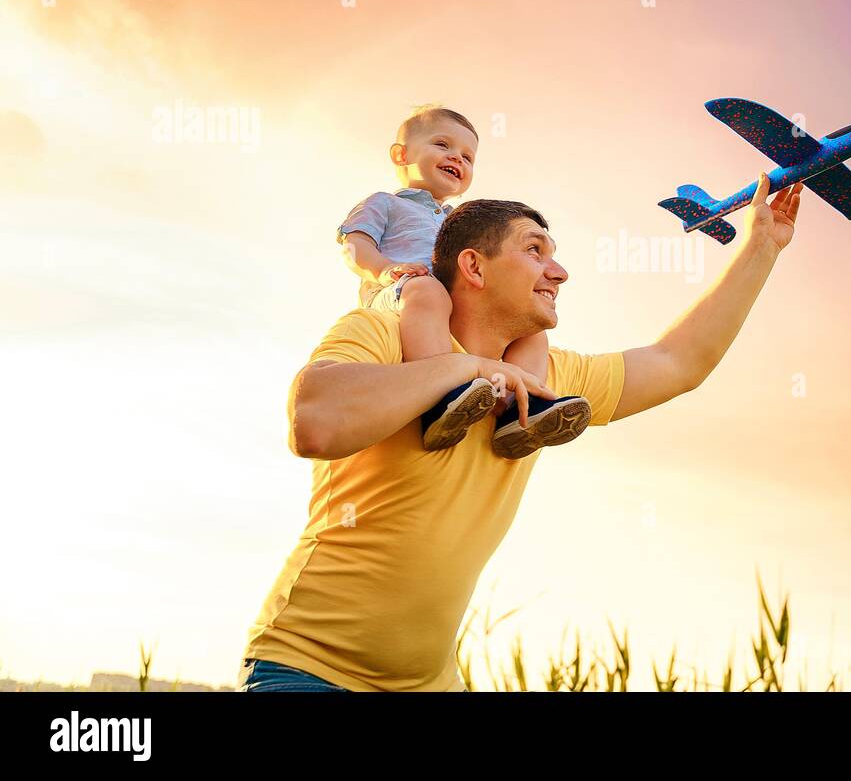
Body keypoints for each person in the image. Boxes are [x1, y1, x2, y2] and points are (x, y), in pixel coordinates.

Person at [238, 175, 803, 691]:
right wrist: (467, 369)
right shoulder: (384, 333)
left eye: (554, 256)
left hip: (429, 684)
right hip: (306, 668)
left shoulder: (548, 382)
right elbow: (313, 423)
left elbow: (680, 364)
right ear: (474, 268)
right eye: (534, 251)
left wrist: (761, 247)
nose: (558, 272)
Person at [337, 103, 587, 456]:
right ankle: (441, 399)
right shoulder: (385, 204)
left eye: (468, 156)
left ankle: (518, 412)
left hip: (451, 301)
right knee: (428, 290)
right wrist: (384, 269)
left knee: (531, 327)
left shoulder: (460, 220)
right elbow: (354, 245)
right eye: (442, 145)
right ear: (402, 154)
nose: (457, 157)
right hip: (402, 293)